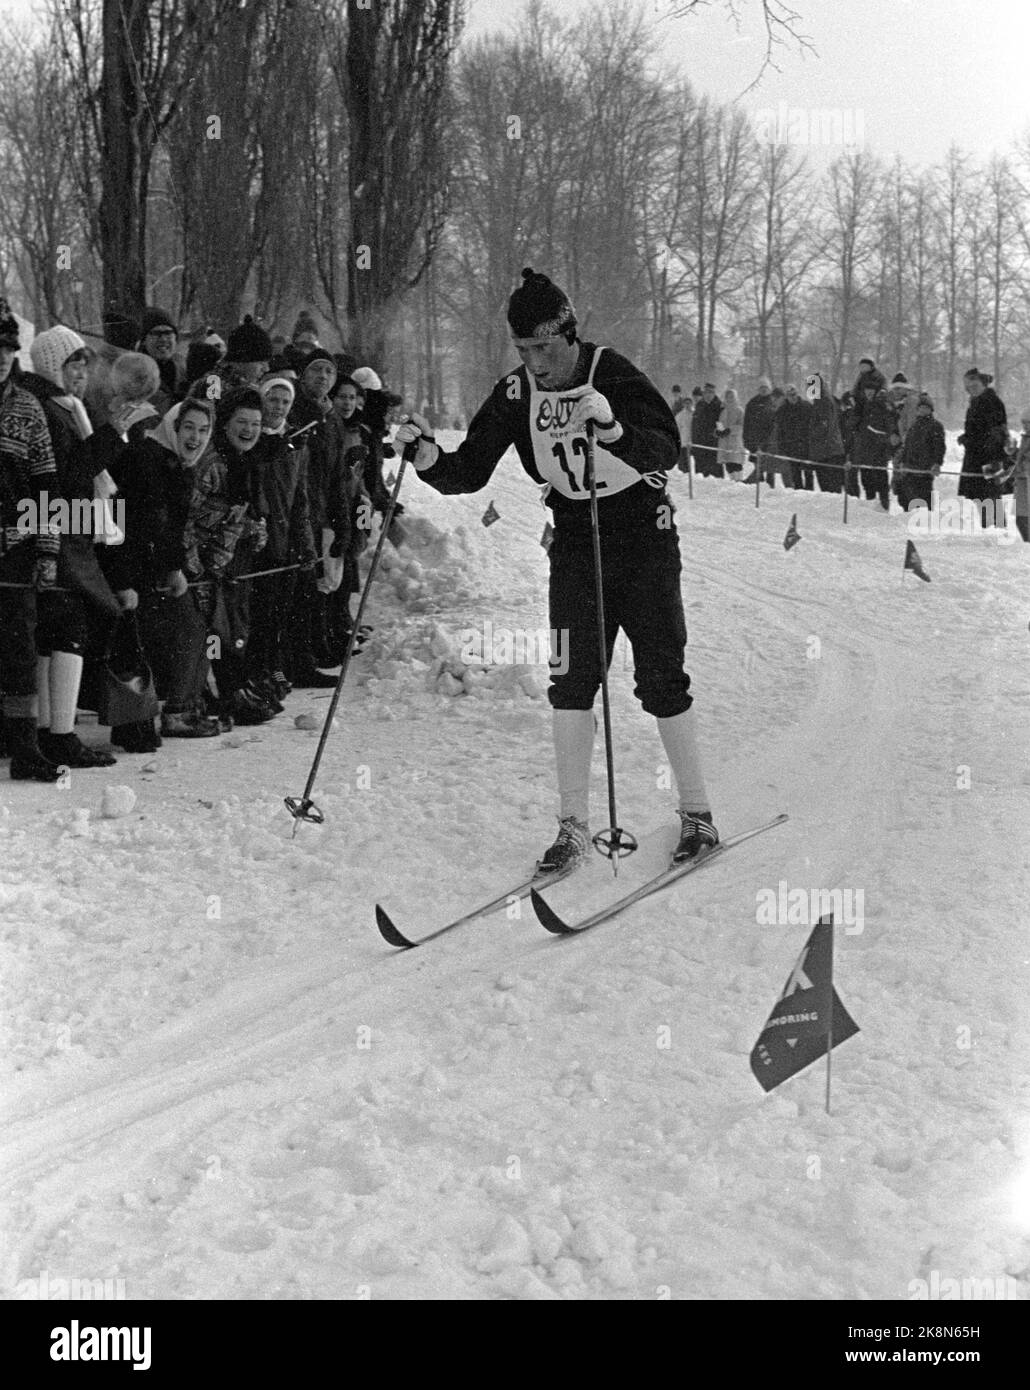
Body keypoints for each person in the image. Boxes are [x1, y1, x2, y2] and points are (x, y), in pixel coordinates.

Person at [395, 267, 718, 868]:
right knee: (570, 683)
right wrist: (426, 455)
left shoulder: (612, 373)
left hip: (641, 538)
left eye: (544, 348)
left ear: (570, 335)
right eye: (523, 350)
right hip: (574, 541)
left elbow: (665, 448)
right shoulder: (517, 394)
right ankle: (572, 825)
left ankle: (697, 814)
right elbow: (469, 470)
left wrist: (614, 428)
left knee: (660, 679)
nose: (536, 364)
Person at [21, 325, 123, 768]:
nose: (81, 373)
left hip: (60, 527)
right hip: (57, 529)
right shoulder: (50, 409)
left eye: (84, 364)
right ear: (52, 365)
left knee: (52, 636)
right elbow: (67, 474)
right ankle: (60, 735)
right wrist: (112, 436)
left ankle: (48, 731)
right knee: (68, 630)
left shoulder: (62, 406)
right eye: (73, 363)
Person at [106, 398, 220, 742]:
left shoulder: (174, 464)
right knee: (175, 631)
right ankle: (169, 714)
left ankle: (169, 712)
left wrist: (174, 569)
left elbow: (168, 530)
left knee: (186, 628)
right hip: (130, 570)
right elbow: (135, 523)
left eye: (203, 430)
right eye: (188, 427)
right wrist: (127, 580)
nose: (195, 437)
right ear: (172, 427)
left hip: (151, 572)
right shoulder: (150, 460)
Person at [0, 299, 64, 780]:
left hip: (15, 548)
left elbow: (46, 484)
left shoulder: (28, 407)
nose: (0, 358)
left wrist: (47, 550)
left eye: (5, 349)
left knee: (19, 647)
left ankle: (24, 750)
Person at [184, 388, 272, 726]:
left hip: (224, 560)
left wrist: (253, 529)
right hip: (202, 565)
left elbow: (238, 512)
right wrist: (194, 566)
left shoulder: (242, 462)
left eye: (255, 423)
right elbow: (188, 516)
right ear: (226, 424)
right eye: (241, 422)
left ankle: (230, 688)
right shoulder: (211, 463)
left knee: (228, 628)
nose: (249, 430)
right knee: (212, 634)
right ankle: (211, 692)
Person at [247, 375, 316, 701]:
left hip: (284, 533)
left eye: (284, 402)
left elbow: (300, 494)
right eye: (272, 400)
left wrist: (304, 540)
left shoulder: (294, 441)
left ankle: (275, 667)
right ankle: (257, 672)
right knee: (257, 609)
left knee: (280, 608)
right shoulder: (251, 436)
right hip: (257, 534)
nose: (278, 407)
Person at [285, 348, 350, 686]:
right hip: (299, 509)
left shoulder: (332, 418)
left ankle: (315, 651)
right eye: (316, 371)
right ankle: (299, 662)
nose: (322, 377)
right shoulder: (297, 412)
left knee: (317, 585)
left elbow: (338, 474)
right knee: (300, 588)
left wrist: (342, 521)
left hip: (322, 508)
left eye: (328, 372)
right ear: (303, 376)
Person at [957, 368, 1007, 511]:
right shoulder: (976, 402)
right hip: (978, 455)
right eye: (968, 387)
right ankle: (990, 527)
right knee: (981, 495)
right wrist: (967, 437)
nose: (970, 389)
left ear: (983, 384)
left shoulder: (991, 402)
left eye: (974, 386)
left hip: (989, 456)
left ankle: (995, 529)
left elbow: (993, 431)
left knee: (989, 494)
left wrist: (971, 440)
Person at [850, 370, 895, 508]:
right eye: (866, 390)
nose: (868, 393)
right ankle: (871, 507)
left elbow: (888, 427)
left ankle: (883, 506)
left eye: (871, 390)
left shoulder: (882, 405)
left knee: (880, 481)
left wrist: (883, 443)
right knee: (867, 481)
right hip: (865, 450)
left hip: (878, 450)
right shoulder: (863, 405)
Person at [893, 393, 945, 511]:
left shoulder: (935, 426)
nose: (922, 410)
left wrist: (937, 463)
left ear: (930, 410)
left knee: (923, 501)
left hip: (925, 470)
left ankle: (925, 523)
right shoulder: (913, 426)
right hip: (909, 469)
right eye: (920, 408)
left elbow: (939, 447)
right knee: (907, 500)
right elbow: (907, 447)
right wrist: (902, 461)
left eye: (926, 408)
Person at [137, 307, 184, 415]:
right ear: (144, 340)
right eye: (157, 334)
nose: (163, 339)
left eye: (168, 333)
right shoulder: (134, 371)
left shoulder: (184, 366)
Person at [805, 373, 844, 493]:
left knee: (829, 488)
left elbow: (824, 426)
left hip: (827, 451)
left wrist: (810, 434)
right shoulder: (823, 400)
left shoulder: (823, 402)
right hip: (829, 450)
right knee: (830, 488)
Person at [997, 408, 1030, 541]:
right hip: (1023, 482)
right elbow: (1021, 460)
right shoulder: (1025, 438)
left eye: (1028, 423)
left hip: (1026, 480)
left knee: (1023, 520)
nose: (1025, 426)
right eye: (1024, 423)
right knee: (1021, 519)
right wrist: (1014, 452)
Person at [777, 383, 812, 489]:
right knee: (795, 474)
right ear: (786, 396)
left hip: (806, 445)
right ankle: (798, 493)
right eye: (790, 395)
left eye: (794, 394)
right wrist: (781, 447)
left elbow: (813, 425)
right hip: (791, 446)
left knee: (808, 474)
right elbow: (780, 431)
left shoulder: (807, 406)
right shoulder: (782, 410)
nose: (793, 397)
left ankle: (810, 493)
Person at [742, 378, 775, 483]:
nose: (763, 390)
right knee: (757, 463)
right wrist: (746, 438)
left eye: (765, 387)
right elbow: (746, 422)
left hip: (769, 438)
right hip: (755, 438)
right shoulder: (752, 403)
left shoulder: (773, 401)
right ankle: (757, 484)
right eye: (761, 387)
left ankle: (770, 486)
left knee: (770, 466)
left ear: (769, 388)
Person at [691, 382, 722, 478]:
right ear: (703, 394)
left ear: (714, 393)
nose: (708, 395)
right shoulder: (699, 405)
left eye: (711, 392)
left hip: (713, 443)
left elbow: (722, 424)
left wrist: (719, 433)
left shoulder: (719, 405)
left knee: (714, 473)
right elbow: (695, 424)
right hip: (700, 443)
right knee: (701, 473)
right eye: (706, 392)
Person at [715, 387, 745, 478]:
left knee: (736, 464)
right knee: (728, 465)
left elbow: (742, 425)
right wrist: (718, 431)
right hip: (724, 441)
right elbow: (720, 423)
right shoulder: (723, 411)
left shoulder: (740, 410)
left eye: (732, 397)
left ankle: (739, 482)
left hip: (735, 441)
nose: (729, 399)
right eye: (728, 397)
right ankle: (733, 482)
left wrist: (730, 430)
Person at [670, 385, 693, 473]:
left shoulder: (681, 402)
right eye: (674, 392)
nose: (675, 394)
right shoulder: (673, 401)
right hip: (678, 427)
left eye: (677, 392)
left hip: (683, 429)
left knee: (685, 455)